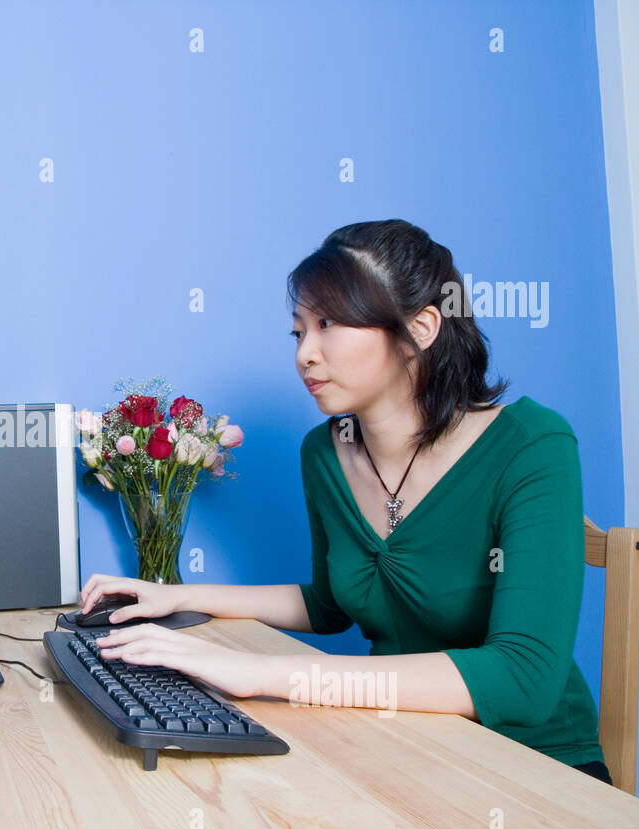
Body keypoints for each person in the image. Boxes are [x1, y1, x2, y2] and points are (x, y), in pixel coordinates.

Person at [80, 219, 612, 786]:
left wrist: (260, 673)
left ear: (420, 328)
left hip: (533, 770)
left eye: (329, 324)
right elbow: (330, 606)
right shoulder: (325, 455)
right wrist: (174, 596)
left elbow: (522, 680)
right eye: (299, 331)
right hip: (398, 744)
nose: (306, 354)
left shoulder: (533, 445)